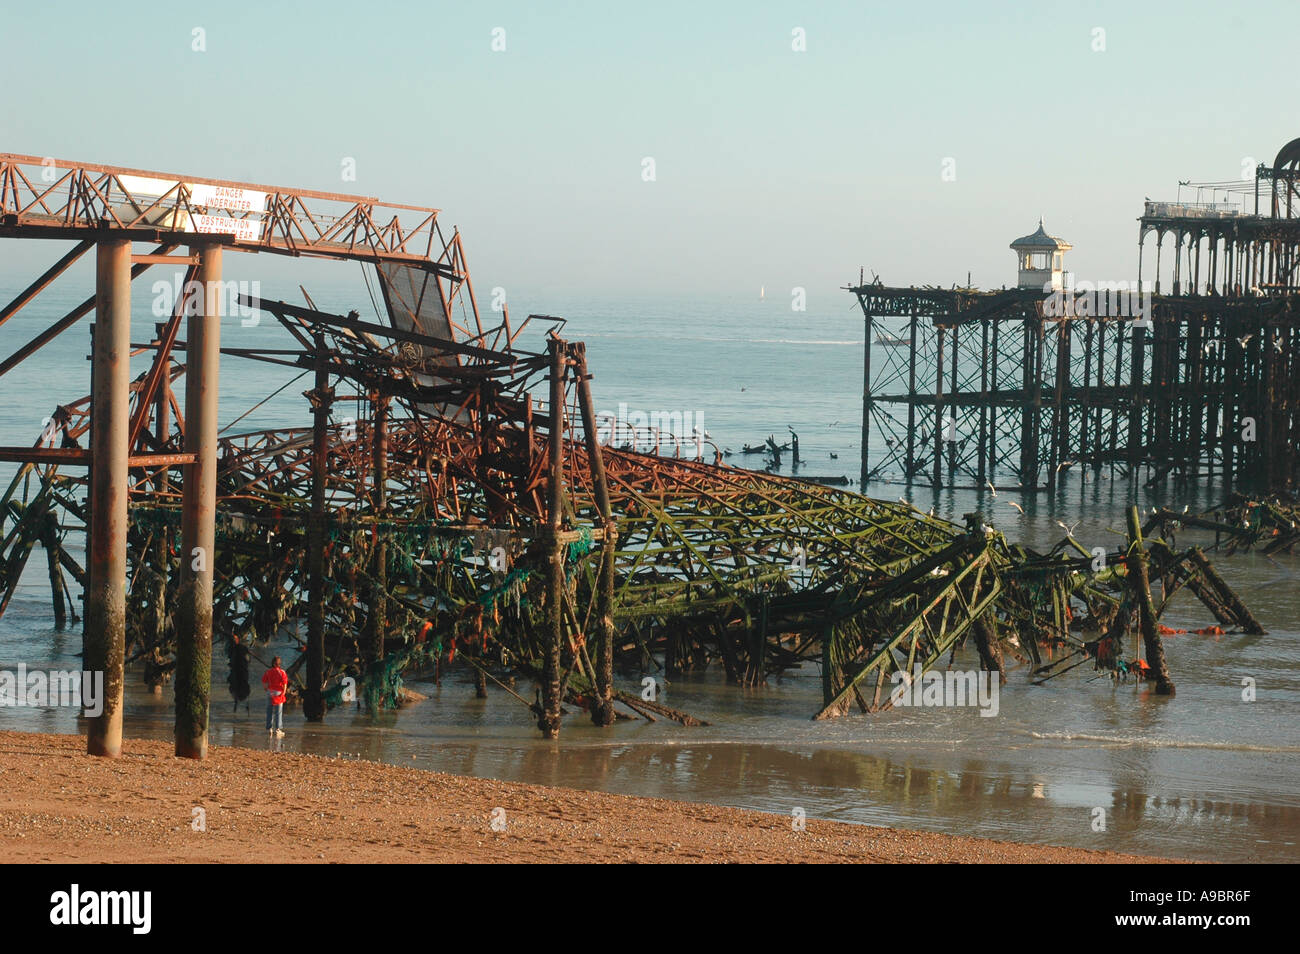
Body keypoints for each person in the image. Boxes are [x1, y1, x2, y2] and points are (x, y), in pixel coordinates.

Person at [262, 656, 288, 738]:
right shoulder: (282, 672)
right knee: (278, 712)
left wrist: (266, 689)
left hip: (270, 692)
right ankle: (278, 729)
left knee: (269, 711)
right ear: (279, 664)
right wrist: (283, 693)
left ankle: (269, 728)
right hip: (278, 693)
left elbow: (264, 681)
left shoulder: (268, 672)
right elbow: (284, 683)